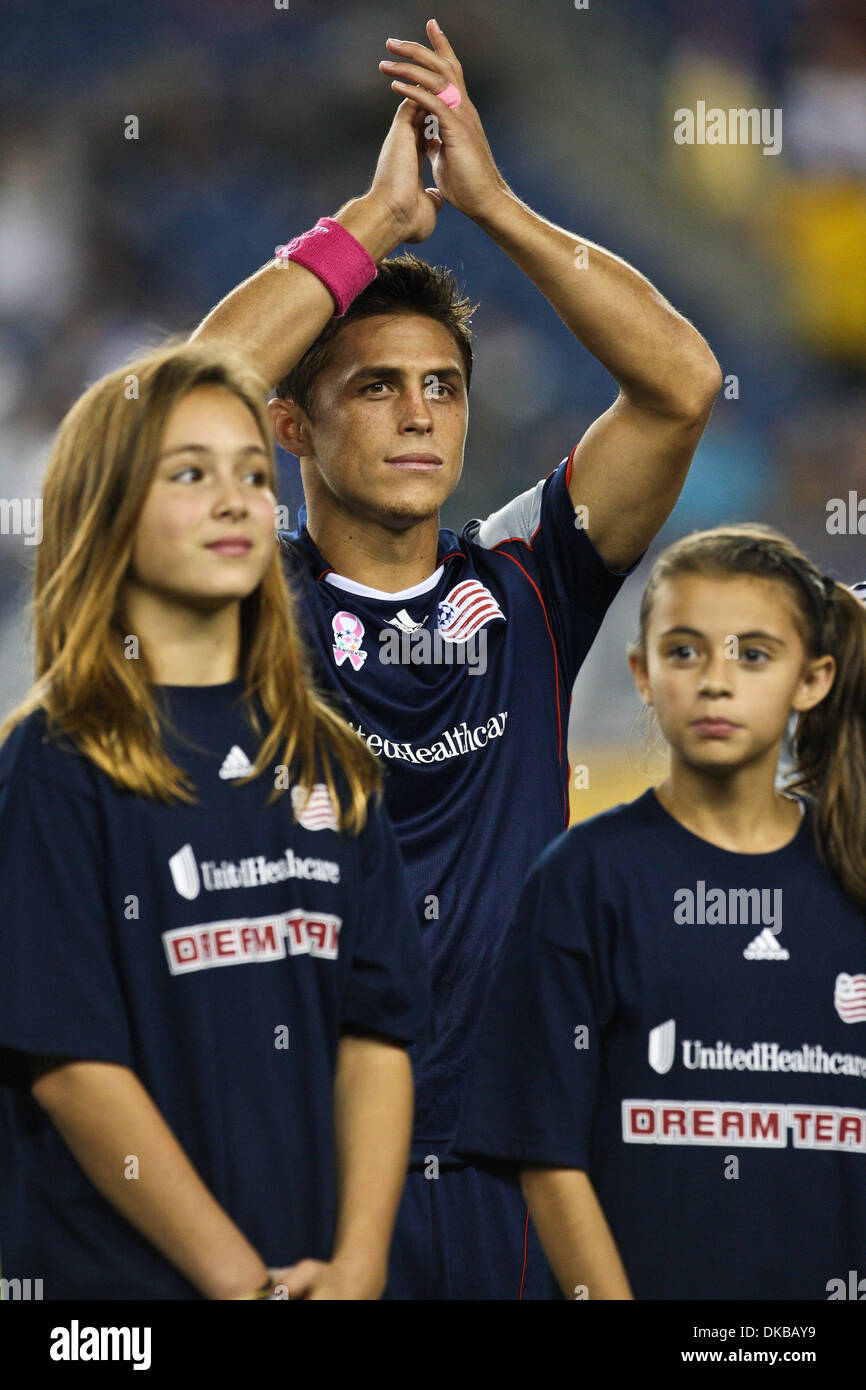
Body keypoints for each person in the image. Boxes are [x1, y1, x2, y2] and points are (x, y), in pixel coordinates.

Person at [190, 19, 722, 1298]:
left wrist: (492, 205)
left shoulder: (529, 579)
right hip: (301, 1165)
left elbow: (682, 384)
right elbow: (172, 397)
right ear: (291, 428)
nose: (419, 410)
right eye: (374, 386)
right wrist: (372, 222)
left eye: (441, 384)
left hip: (516, 1167)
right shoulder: (250, 586)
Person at [0, 339, 430, 1300]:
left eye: (249, 471)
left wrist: (358, 1267)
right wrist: (235, 1278)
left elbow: (378, 1035)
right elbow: (71, 1064)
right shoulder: (55, 762)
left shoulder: (330, 761)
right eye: (190, 474)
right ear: (105, 509)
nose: (237, 498)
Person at [454, 523, 866, 1300]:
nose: (716, 680)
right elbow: (546, 1150)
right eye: (685, 651)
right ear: (640, 674)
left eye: (754, 653)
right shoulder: (584, 879)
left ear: (812, 680)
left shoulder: (851, 876)